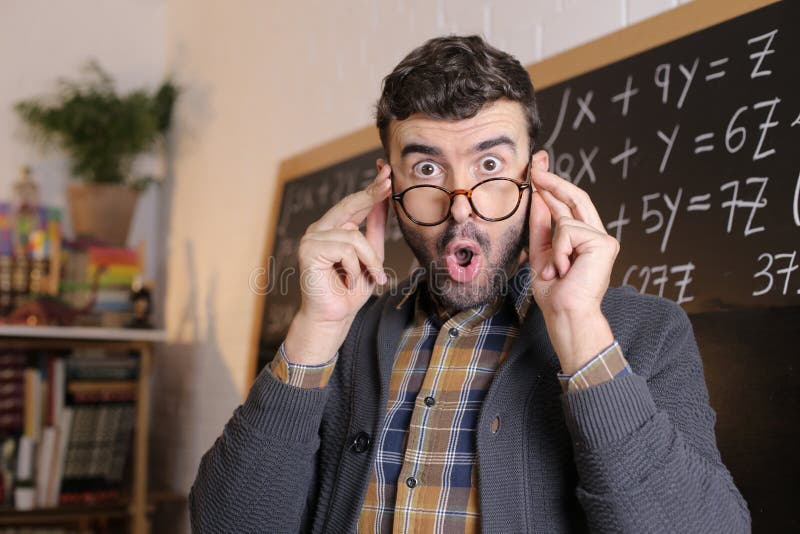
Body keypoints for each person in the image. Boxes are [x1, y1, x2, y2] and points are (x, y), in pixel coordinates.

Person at [190, 35, 750, 533]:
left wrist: (581, 333)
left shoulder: (647, 332)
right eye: (428, 170)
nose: (463, 211)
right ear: (387, 185)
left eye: (489, 166)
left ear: (537, 178)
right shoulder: (340, 334)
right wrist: (315, 331)